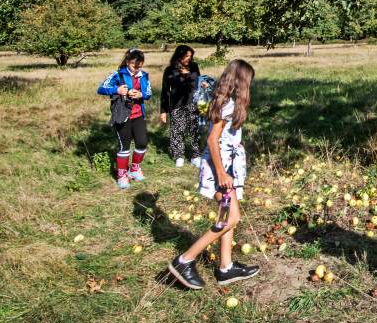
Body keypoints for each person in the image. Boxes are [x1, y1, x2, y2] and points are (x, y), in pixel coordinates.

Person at [168, 59, 261, 289]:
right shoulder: (227, 105)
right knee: (230, 218)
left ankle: (225, 268)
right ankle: (185, 260)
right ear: (240, 82)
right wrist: (221, 173)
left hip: (228, 167)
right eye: (248, 81)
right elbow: (212, 139)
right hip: (220, 169)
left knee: (227, 216)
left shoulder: (228, 102)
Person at [97, 49, 153, 189]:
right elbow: (101, 88)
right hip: (122, 116)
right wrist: (117, 90)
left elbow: (148, 92)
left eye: (140, 66)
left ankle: (134, 169)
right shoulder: (117, 74)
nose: (137, 69)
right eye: (134, 66)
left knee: (142, 143)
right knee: (124, 146)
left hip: (138, 115)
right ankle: (121, 175)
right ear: (128, 62)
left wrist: (141, 94)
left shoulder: (144, 76)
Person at [160, 45, 202, 168]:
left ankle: (196, 156)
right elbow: (165, 91)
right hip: (176, 105)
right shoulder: (170, 70)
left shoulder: (194, 67)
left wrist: (201, 83)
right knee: (177, 131)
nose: (189, 58)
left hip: (193, 103)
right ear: (179, 56)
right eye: (186, 56)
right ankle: (179, 156)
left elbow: (198, 83)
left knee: (194, 130)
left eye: (190, 56)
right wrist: (163, 111)